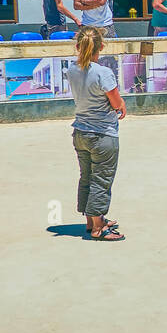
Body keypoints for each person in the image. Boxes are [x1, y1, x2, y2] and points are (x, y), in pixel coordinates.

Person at [67, 26, 127, 241]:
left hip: (80, 132)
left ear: (77, 46)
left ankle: (91, 220)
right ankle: (98, 229)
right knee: (102, 179)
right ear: (101, 47)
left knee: (87, 177)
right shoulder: (104, 73)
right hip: (102, 135)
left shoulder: (71, 70)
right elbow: (116, 102)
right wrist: (121, 106)